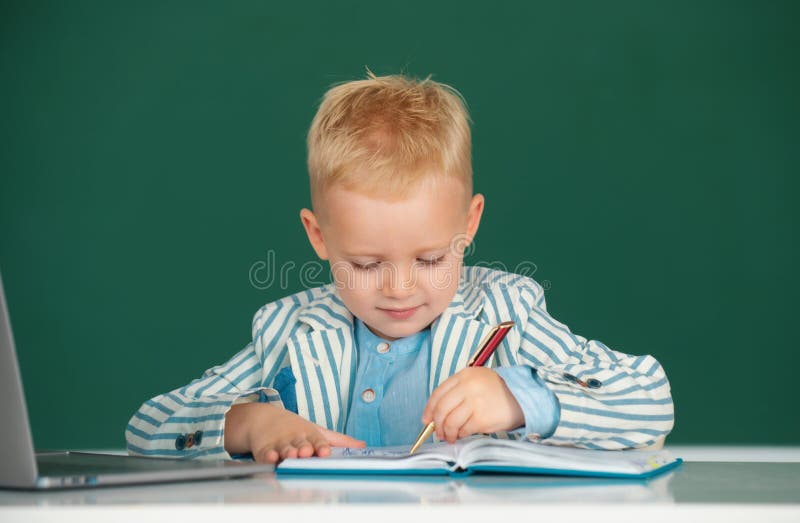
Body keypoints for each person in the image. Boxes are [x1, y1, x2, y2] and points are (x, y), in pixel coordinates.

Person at [126, 70, 674, 464]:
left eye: (432, 258)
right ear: (319, 236)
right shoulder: (288, 330)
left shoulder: (510, 314)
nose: (399, 287)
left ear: (470, 224)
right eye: (365, 263)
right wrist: (246, 424)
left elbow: (649, 401)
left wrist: (519, 398)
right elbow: (148, 425)